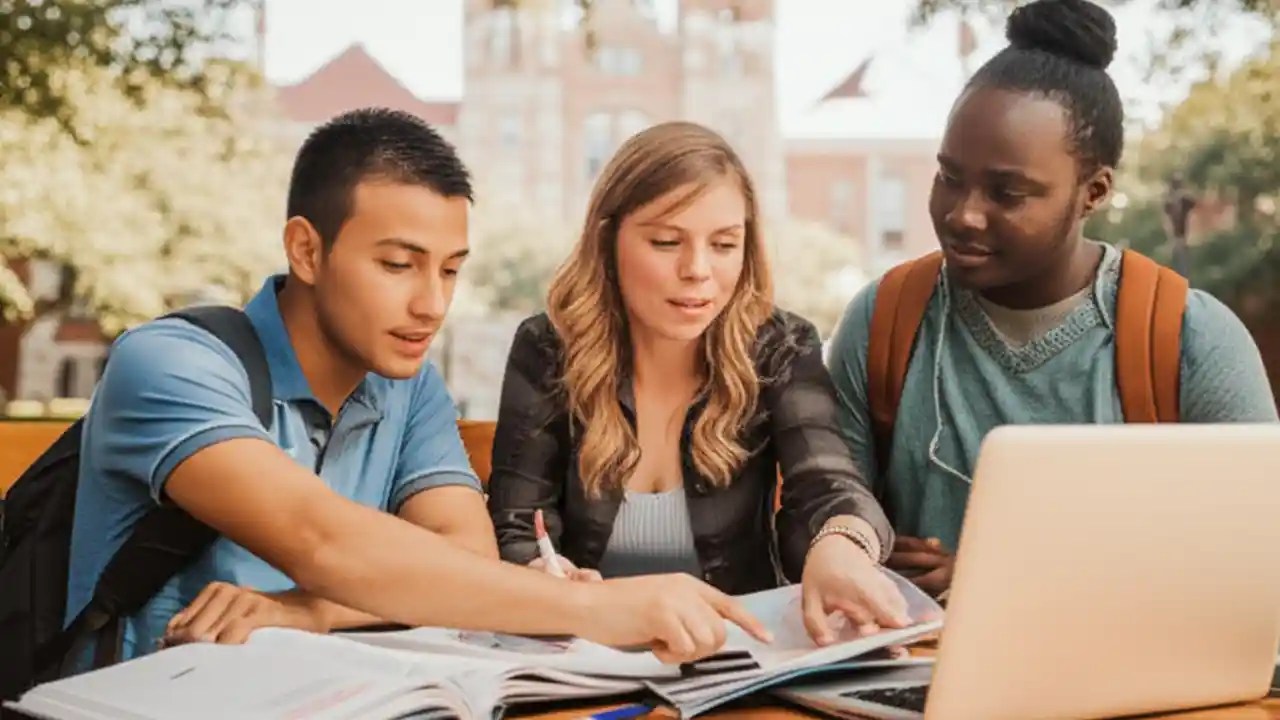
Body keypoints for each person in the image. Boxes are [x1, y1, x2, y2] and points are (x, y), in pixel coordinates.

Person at [65, 108, 768, 667]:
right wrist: (606, 608)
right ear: (307, 250)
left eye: (451, 270)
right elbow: (321, 540)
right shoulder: (170, 364)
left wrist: (314, 609)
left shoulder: (408, 386)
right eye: (399, 265)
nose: (433, 304)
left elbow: (465, 558)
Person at [825, 0, 1278, 600]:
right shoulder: (883, 321)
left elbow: (1254, 559)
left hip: (1138, 686)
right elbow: (825, 501)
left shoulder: (1188, 339)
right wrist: (843, 546)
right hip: (910, 680)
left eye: (1007, 193)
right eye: (949, 176)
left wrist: (1002, 583)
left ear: (1093, 192)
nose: (963, 215)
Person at [486, 120, 911, 645]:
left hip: (734, 657)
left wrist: (841, 543)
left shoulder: (779, 346)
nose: (698, 270)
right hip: (586, 652)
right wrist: (546, 581)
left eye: (724, 244)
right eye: (666, 242)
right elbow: (515, 524)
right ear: (608, 241)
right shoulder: (548, 348)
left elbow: (828, 482)